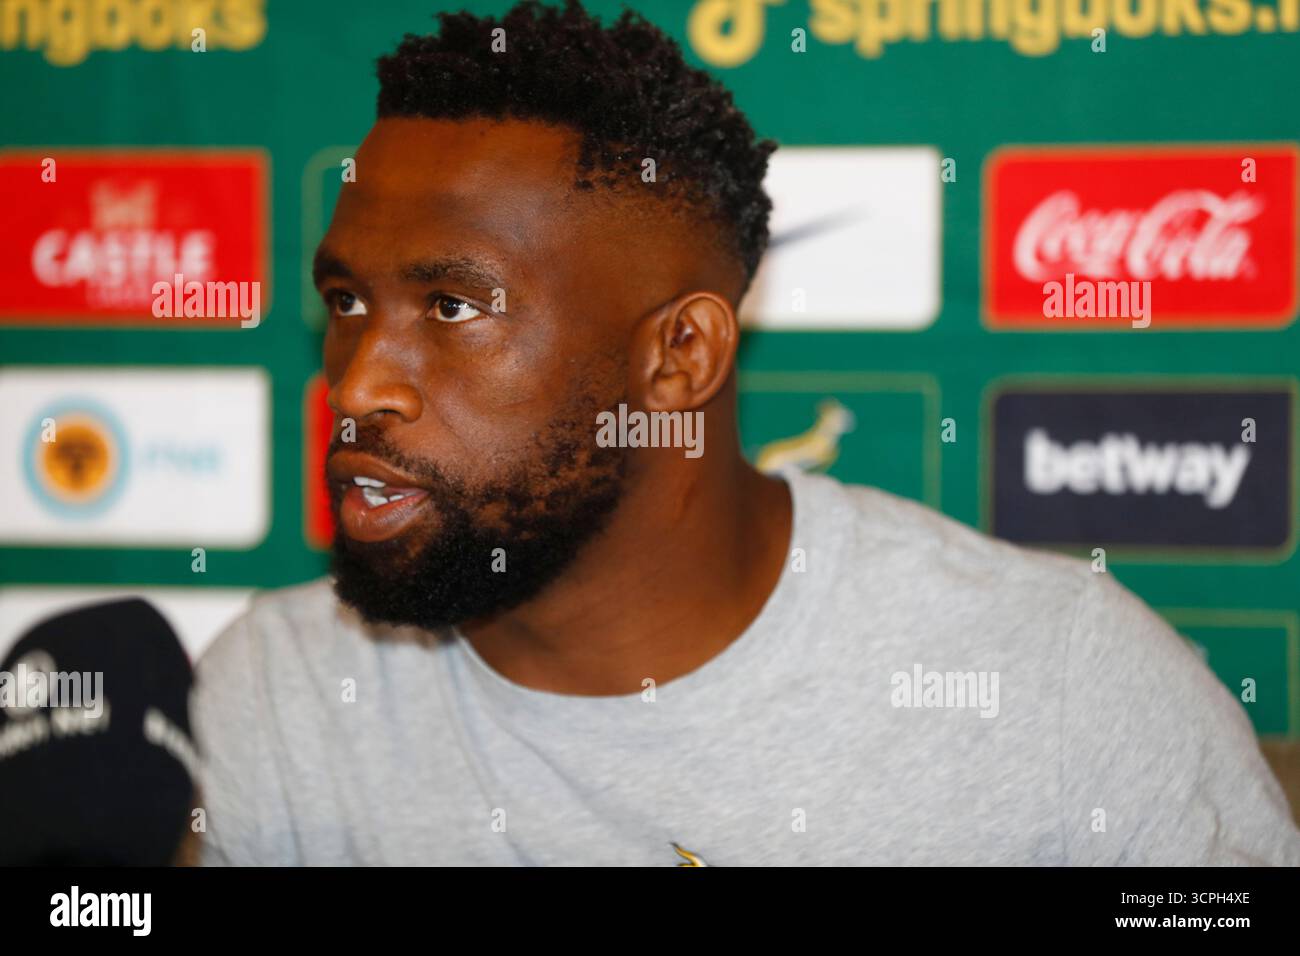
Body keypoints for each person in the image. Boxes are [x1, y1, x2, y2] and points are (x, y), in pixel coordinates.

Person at [192, 0, 1300, 866]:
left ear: (677, 358)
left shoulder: (1063, 688)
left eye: (452, 307)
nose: (359, 382)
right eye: (345, 302)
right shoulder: (283, 692)